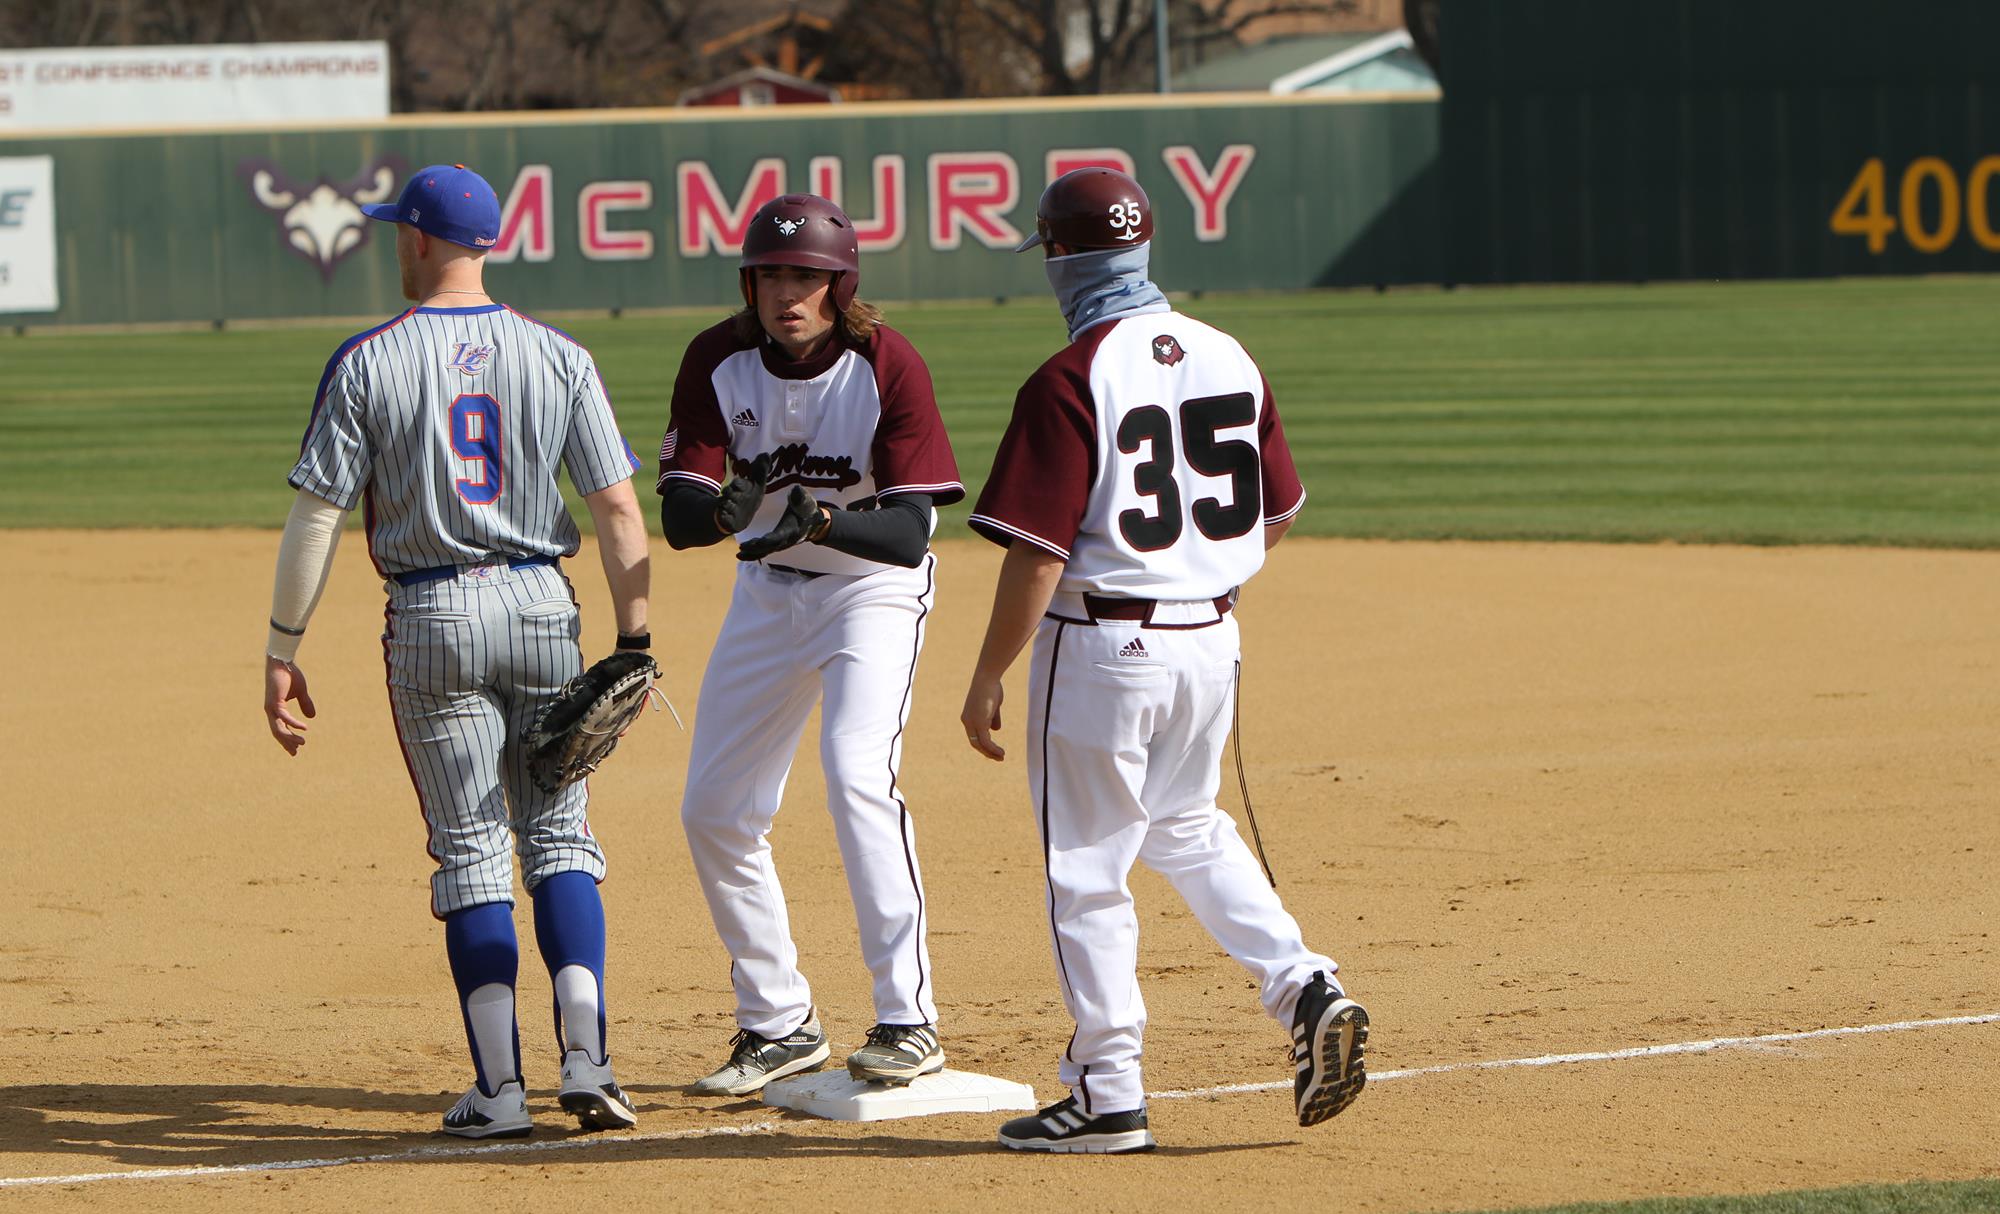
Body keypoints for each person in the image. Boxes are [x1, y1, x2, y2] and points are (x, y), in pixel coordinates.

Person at [961, 167, 1369, 1153]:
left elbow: (1036, 552)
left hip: (1102, 647)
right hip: (1209, 637)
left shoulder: (1071, 376)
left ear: (1061, 258)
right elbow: (1274, 514)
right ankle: (1304, 985)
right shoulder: (1229, 353)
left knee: (1086, 869)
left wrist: (985, 674)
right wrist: (1194, 587)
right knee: (1185, 824)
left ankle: (1107, 1093)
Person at [260, 164, 653, 1139]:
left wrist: (282, 645)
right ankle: (589, 1063)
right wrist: (635, 638)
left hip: (432, 615)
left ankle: (501, 1092)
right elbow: (613, 506)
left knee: (473, 853)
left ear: (423, 240)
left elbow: (317, 517)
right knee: (560, 837)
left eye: (401, 229)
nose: (397, 242)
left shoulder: (367, 360)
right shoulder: (558, 355)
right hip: (540, 607)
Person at [658, 193, 964, 1096]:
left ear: (841, 285)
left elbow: (910, 532)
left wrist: (824, 520)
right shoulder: (717, 358)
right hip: (766, 593)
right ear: (749, 282)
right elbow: (680, 518)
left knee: (856, 771)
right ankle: (778, 1019)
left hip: (872, 594)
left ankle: (908, 1017)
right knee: (714, 807)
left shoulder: (885, 362)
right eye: (772, 275)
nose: (788, 292)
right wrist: (720, 510)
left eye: (808, 277)